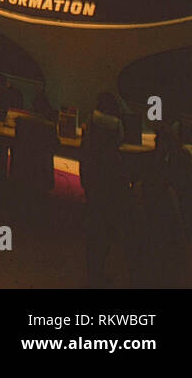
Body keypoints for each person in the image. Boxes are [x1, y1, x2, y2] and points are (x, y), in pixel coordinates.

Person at [81, 92, 130, 286]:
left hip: (91, 172)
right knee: (105, 223)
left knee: (94, 220)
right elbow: (120, 142)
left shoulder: (92, 117)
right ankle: (100, 272)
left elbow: (86, 139)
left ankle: (93, 272)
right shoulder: (116, 123)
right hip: (108, 176)